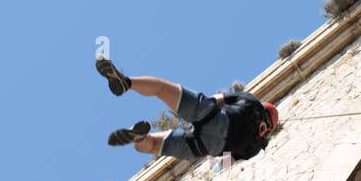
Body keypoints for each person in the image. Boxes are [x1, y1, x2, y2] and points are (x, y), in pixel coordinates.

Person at [96, 58, 279, 162]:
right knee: (153, 145)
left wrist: (196, 112)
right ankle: (139, 137)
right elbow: (221, 165)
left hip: (214, 117)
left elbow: (219, 99)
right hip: (205, 146)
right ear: (269, 128)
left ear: (264, 107)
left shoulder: (252, 101)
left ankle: (126, 82)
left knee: (162, 89)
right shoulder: (254, 147)